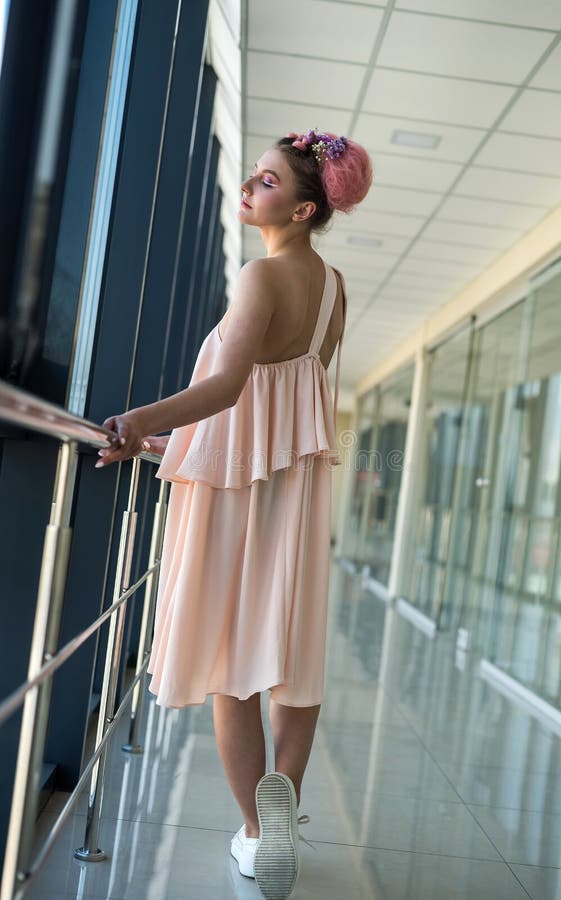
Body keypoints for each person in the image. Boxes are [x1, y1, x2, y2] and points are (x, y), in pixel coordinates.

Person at [96, 129, 372, 898]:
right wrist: (173, 437)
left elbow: (226, 390)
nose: (249, 187)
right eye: (253, 175)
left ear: (304, 208)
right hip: (293, 489)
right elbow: (296, 393)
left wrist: (136, 422)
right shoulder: (333, 288)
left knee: (232, 664)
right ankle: (282, 805)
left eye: (268, 181)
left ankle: (256, 828)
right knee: (290, 651)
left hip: (233, 491)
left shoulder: (260, 276)